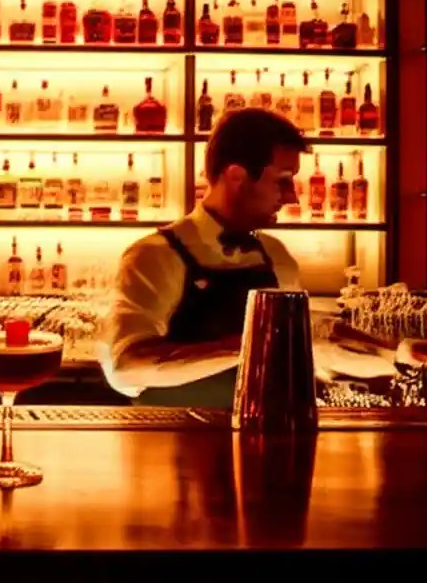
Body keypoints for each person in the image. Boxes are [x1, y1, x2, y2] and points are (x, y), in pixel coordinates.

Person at [102, 108, 308, 408]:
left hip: (259, 440)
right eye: (283, 180)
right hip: (169, 445)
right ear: (237, 175)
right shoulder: (155, 255)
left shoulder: (276, 254)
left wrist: (393, 355)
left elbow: (308, 345)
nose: (292, 197)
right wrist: (252, 343)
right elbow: (126, 367)